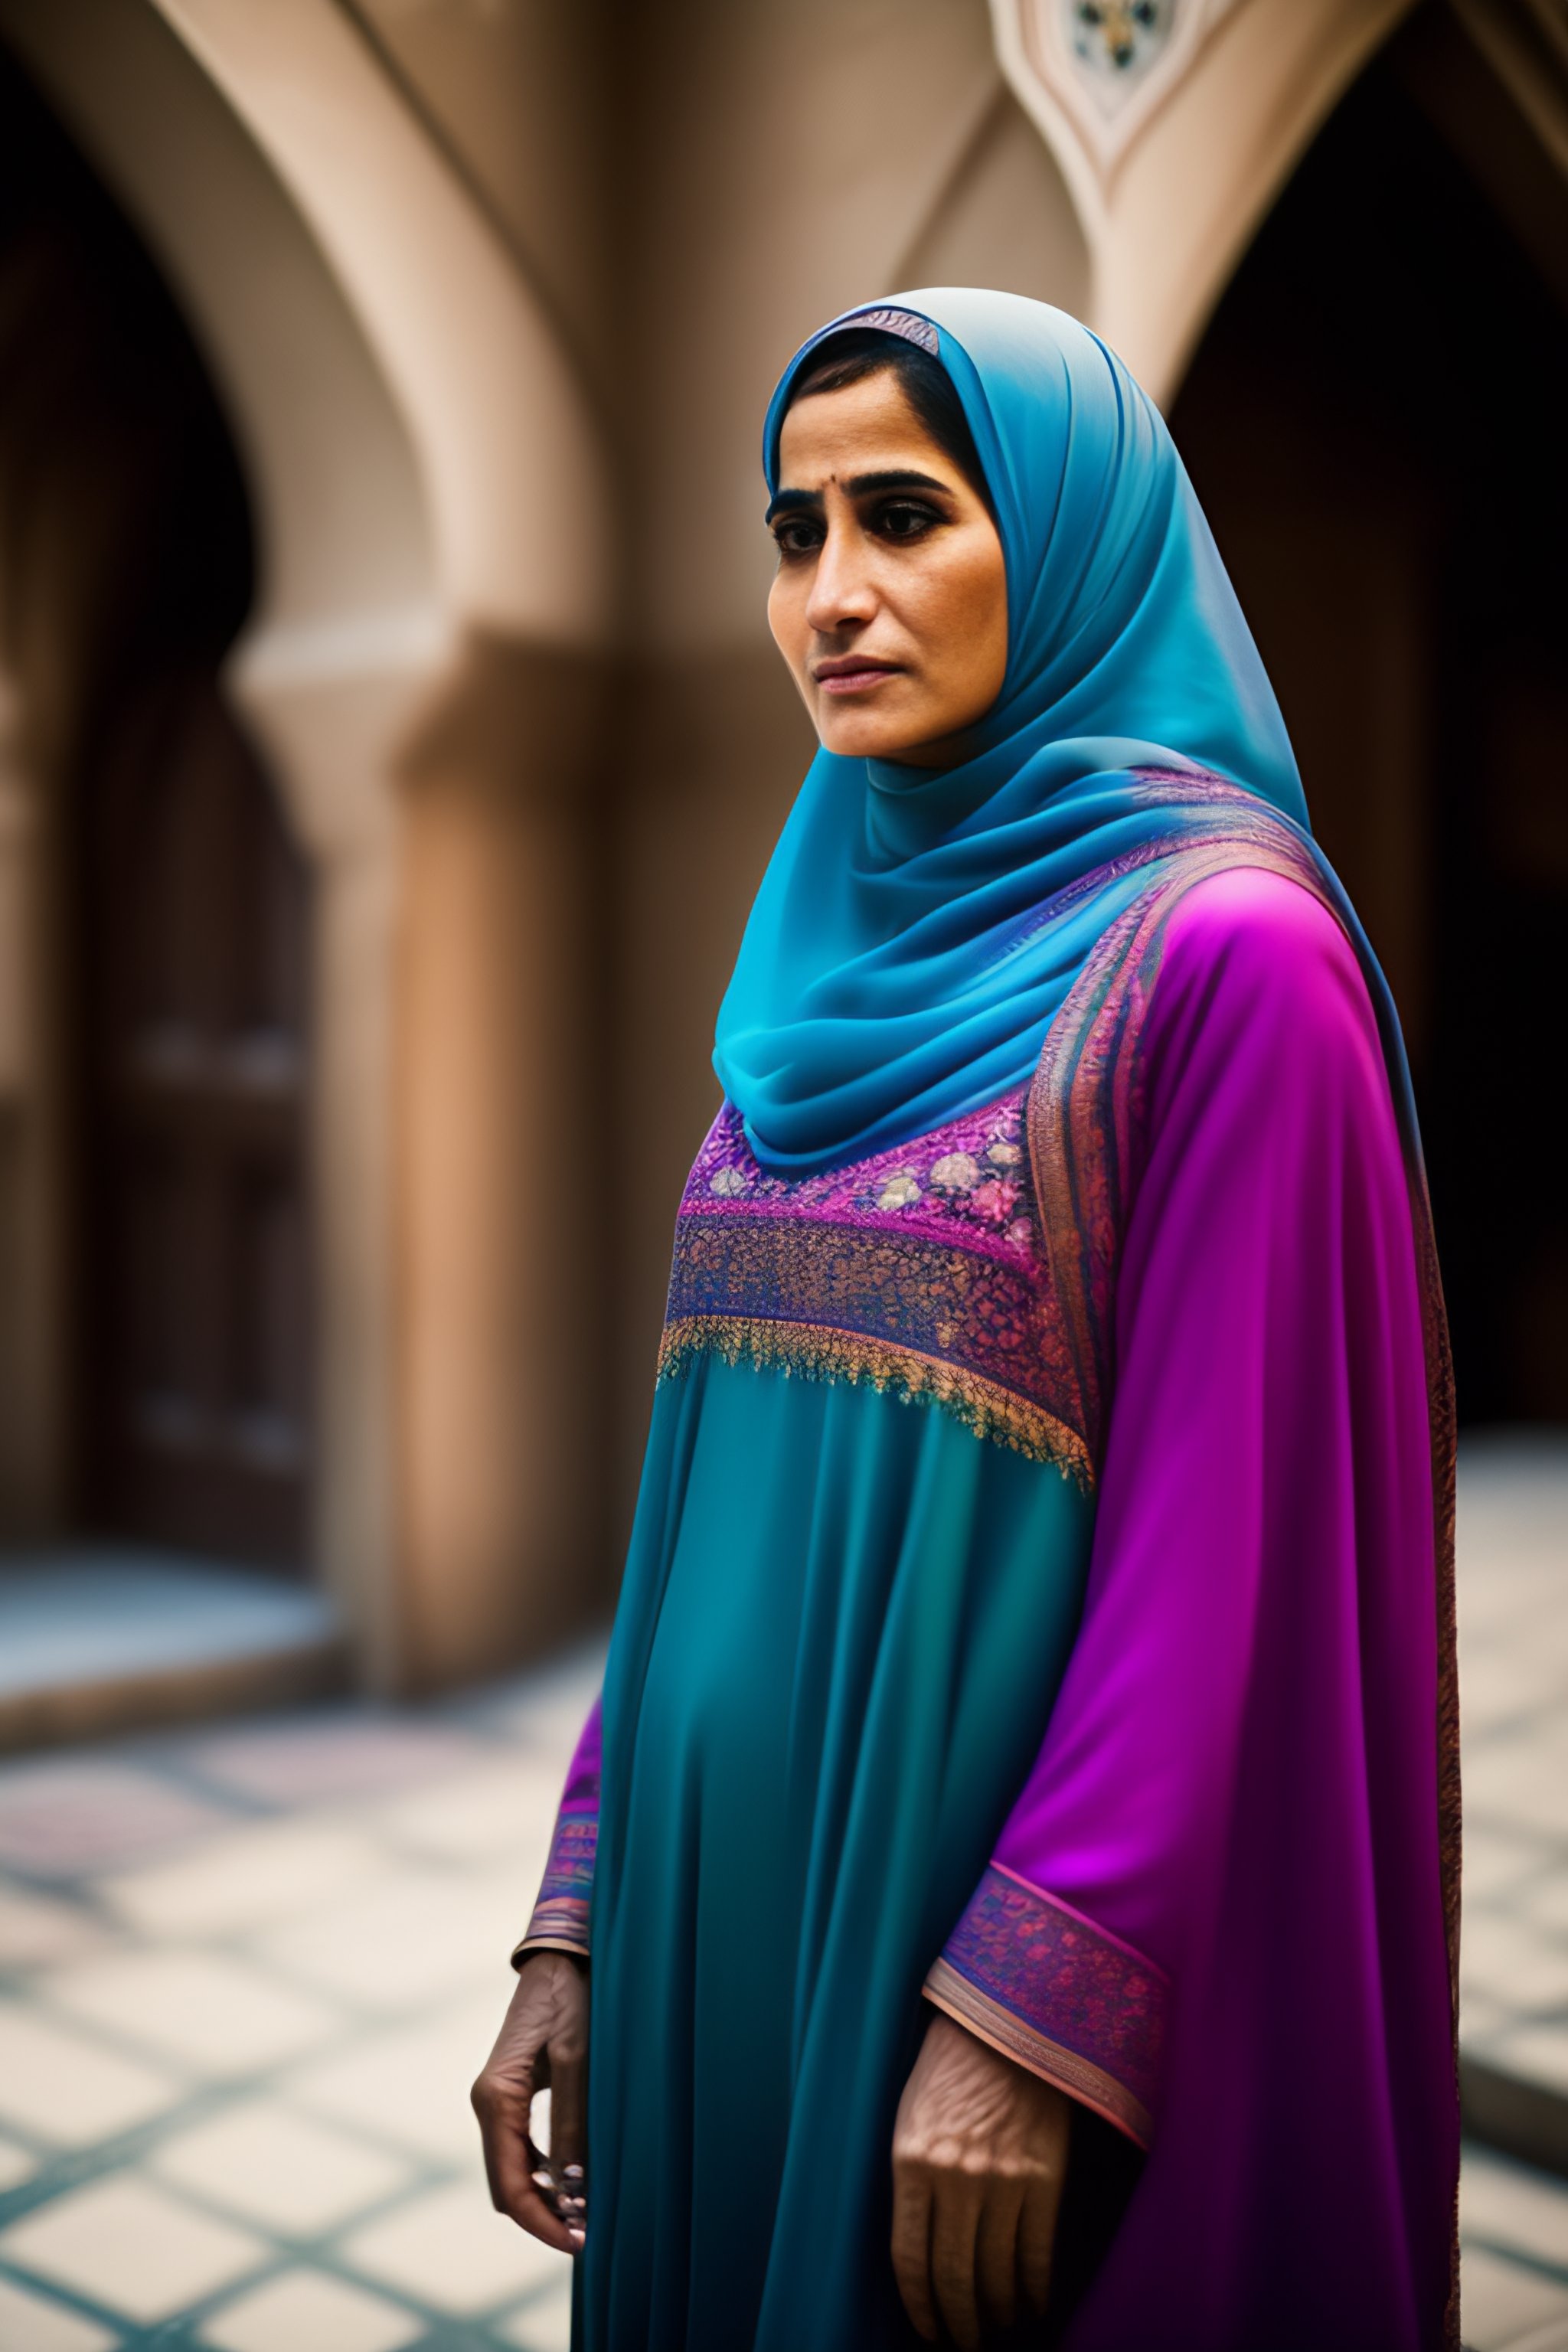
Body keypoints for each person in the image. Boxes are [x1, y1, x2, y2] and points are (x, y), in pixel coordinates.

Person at [472, 291, 1459, 2351]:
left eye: (905, 516)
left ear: (1072, 535)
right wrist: (579, 1912)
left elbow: (1230, 1565)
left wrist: (1036, 2010)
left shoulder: (1228, 970)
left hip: (958, 1969)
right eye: (793, 529)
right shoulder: (823, 950)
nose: (831, 592)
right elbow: (703, 1491)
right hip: (715, 1930)